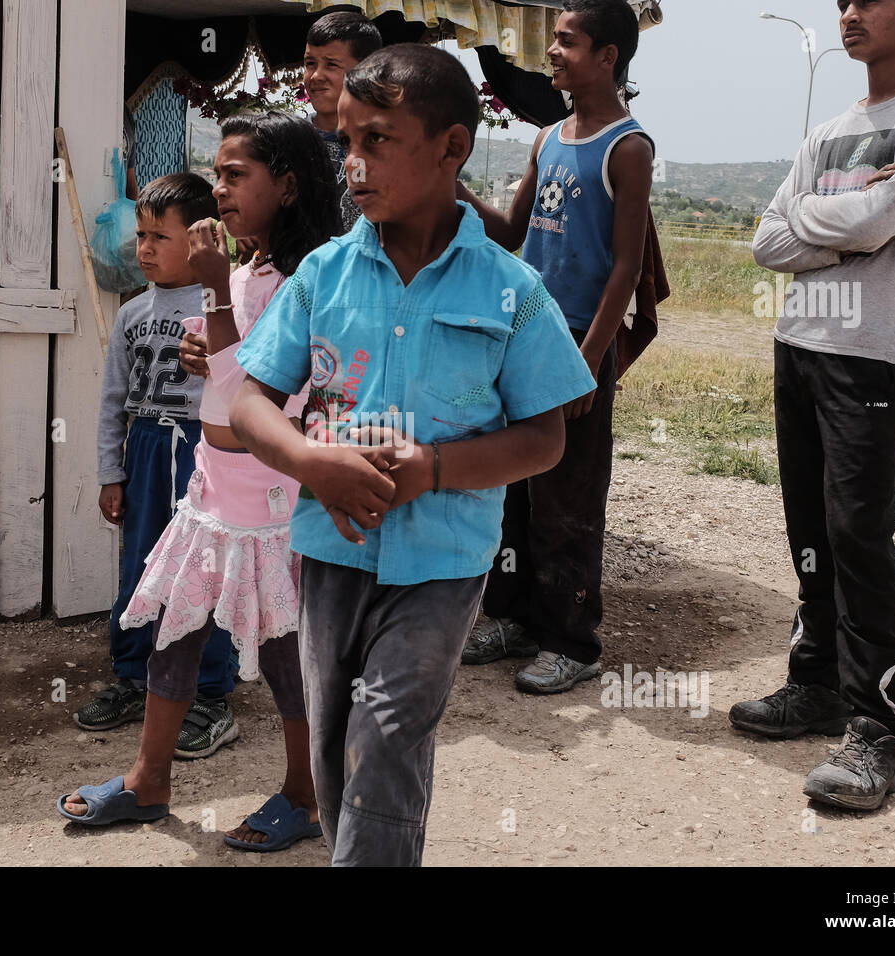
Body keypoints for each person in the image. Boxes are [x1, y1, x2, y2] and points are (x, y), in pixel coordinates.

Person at [231, 44, 595, 866]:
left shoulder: (510, 289)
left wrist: (431, 470)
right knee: (334, 741)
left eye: (380, 141)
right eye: (347, 142)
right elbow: (249, 404)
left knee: (389, 733)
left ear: (452, 149)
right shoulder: (321, 274)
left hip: (442, 563)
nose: (354, 165)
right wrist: (310, 462)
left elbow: (545, 438)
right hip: (332, 548)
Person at [60, 112, 340, 852]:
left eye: (235, 175)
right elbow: (225, 372)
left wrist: (215, 301)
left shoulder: (306, 278)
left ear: (286, 186)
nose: (220, 189)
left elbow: (259, 396)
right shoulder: (245, 271)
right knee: (174, 630)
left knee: (284, 651)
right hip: (213, 488)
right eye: (215, 174)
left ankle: (305, 795)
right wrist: (207, 337)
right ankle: (149, 780)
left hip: (269, 497)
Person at [737, 0, 895, 812]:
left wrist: (840, 224)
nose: (849, 14)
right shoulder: (830, 129)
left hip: (873, 349)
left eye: (868, 0)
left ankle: (879, 729)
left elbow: (882, 220)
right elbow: (766, 241)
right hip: (799, 340)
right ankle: (817, 685)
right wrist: (846, 226)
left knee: (857, 534)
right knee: (810, 529)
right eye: (840, 1)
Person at [456, 0, 654, 694]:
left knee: (569, 495)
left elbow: (625, 268)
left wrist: (588, 362)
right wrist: (449, 184)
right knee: (513, 485)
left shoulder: (628, 148)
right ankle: (511, 617)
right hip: (522, 333)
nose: (555, 53)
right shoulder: (546, 138)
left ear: (608, 57)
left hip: (574, 343)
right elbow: (511, 231)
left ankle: (572, 639)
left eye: (569, 42)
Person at [82, 173, 241, 760]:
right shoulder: (131, 316)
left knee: (205, 570)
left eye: (159, 236)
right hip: (146, 451)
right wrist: (110, 473)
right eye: (141, 236)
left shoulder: (226, 305)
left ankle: (209, 695)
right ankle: (133, 677)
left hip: (206, 451)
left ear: (202, 237)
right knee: (141, 566)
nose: (143, 248)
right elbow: (110, 403)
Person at [302, 10, 382, 231]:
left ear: (365, 71)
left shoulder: (388, 146)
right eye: (310, 63)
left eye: (331, 65)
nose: (316, 76)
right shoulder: (287, 141)